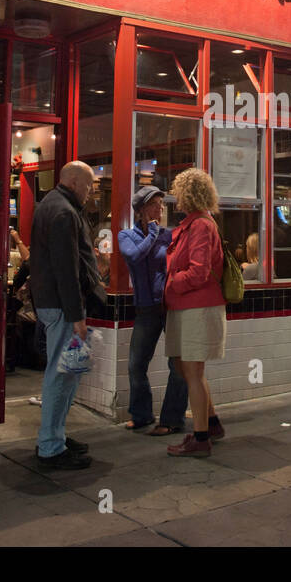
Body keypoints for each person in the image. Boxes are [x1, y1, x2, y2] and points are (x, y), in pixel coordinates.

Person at [30, 161, 101, 469]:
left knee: (69, 373)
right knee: (61, 376)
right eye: (88, 185)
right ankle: (50, 447)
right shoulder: (63, 212)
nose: (90, 192)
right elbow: (66, 270)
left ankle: (55, 435)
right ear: (73, 182)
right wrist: (76, 316)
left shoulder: (52, 204)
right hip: (62, 307)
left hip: (55, 304)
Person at [163, 168, 227, 457]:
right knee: (186, 368)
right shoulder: (195, 224)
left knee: (192, 371)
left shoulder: (200, 225)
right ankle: (212, 424)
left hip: (196, 307)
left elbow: (199, 271)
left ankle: (201, 439)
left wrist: (172, 281)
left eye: (178, 192)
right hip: (187, 306)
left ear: (188, 194)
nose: (175, 197)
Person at [118, 185, 189, 436]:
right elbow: (134, 257)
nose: (159, 209)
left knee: (178, 364)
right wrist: (152, 235)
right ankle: (141, 415)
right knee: (136, 364)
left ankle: (173, 418)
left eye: (161, 204)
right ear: (141, 210)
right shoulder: (127, 236)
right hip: (145, 309)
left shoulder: (169, 235)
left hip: (170, 306)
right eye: (153, 204)